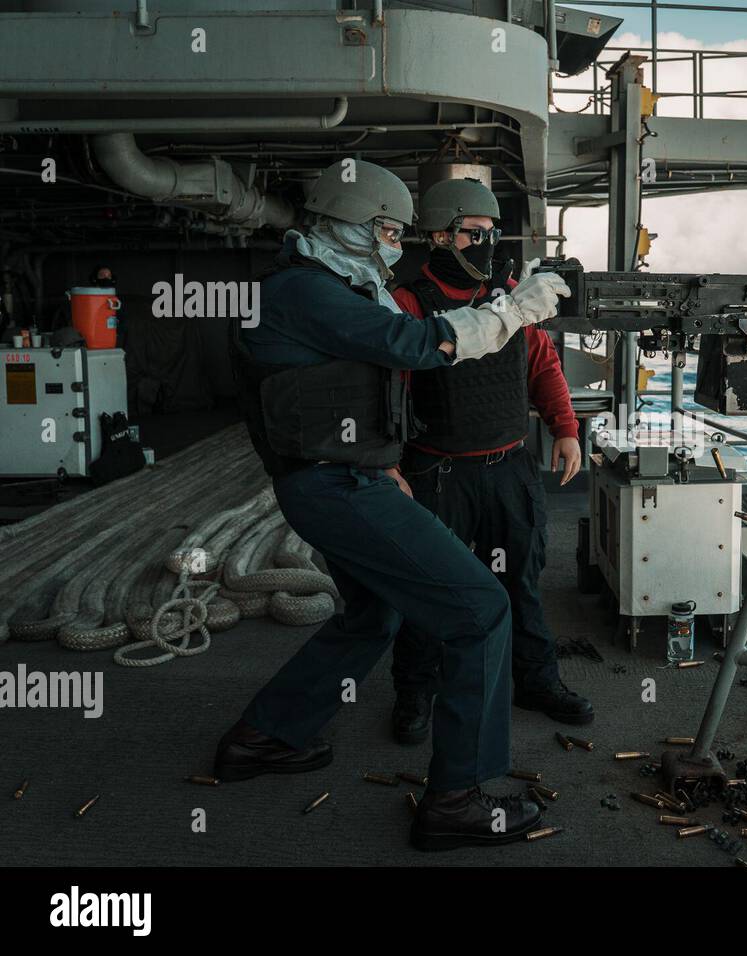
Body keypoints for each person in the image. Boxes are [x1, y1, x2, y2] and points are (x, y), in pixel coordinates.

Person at [212, 159, 571, 851]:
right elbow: (418, 343)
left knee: (373, 615)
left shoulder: (332, 288)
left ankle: (264, 738)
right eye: (383, 228)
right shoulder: (304, 292)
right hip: (337, 487)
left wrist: (384, 461)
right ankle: (457, 800)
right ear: (344, 226)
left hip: (348, 479)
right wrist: (515, 308)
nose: (392, 243)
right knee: (478, 610)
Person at [387, 177, 593, 745]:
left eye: (491, 233)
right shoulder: (408, 303)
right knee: (428, 588)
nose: (486, 243)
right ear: (438, 235)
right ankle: (415, 691)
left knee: (520, 582)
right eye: (474, 233)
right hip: (436, 474)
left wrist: (565, 429)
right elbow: (387, 389)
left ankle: (535, 680)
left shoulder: (511, 295)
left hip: (507, 470)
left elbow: (543, 364)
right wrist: (387, 465)